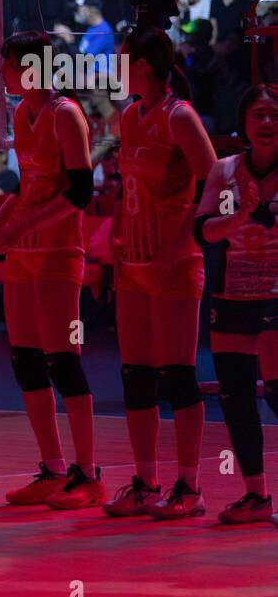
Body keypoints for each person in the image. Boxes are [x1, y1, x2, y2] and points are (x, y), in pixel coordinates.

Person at [0, 32, 104, 509]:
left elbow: (80, 193)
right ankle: (53, 468)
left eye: (8, 66)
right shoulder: (23, 114)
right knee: (25, 358)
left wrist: (21, 230)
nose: (3, 75)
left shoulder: (65, 113)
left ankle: (89, 473)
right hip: (24, 253)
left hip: (60, 253)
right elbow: (25, 190)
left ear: (32, 68)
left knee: (63, 358)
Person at [103, 27, 217, 520]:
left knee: (178, 376)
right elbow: (127, 184)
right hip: (133, 264)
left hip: (174, 264)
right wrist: (114, 230)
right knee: (136, 376)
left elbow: (214, 180)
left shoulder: (179, 117)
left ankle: (189, 487)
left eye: (122, 60)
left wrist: (181, 240)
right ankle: (145, 482)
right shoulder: (131, 115)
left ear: (145, 64)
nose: (116, 68)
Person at [195, 85, 278, 524]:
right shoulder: (224, 170)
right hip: (230, 296)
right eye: (258, 115)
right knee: (236, 398)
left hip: (275, 295)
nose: (266, 123)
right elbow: (203, 230)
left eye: (274, 115)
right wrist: (244, 215)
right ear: (244, 122)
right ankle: (256, 496)